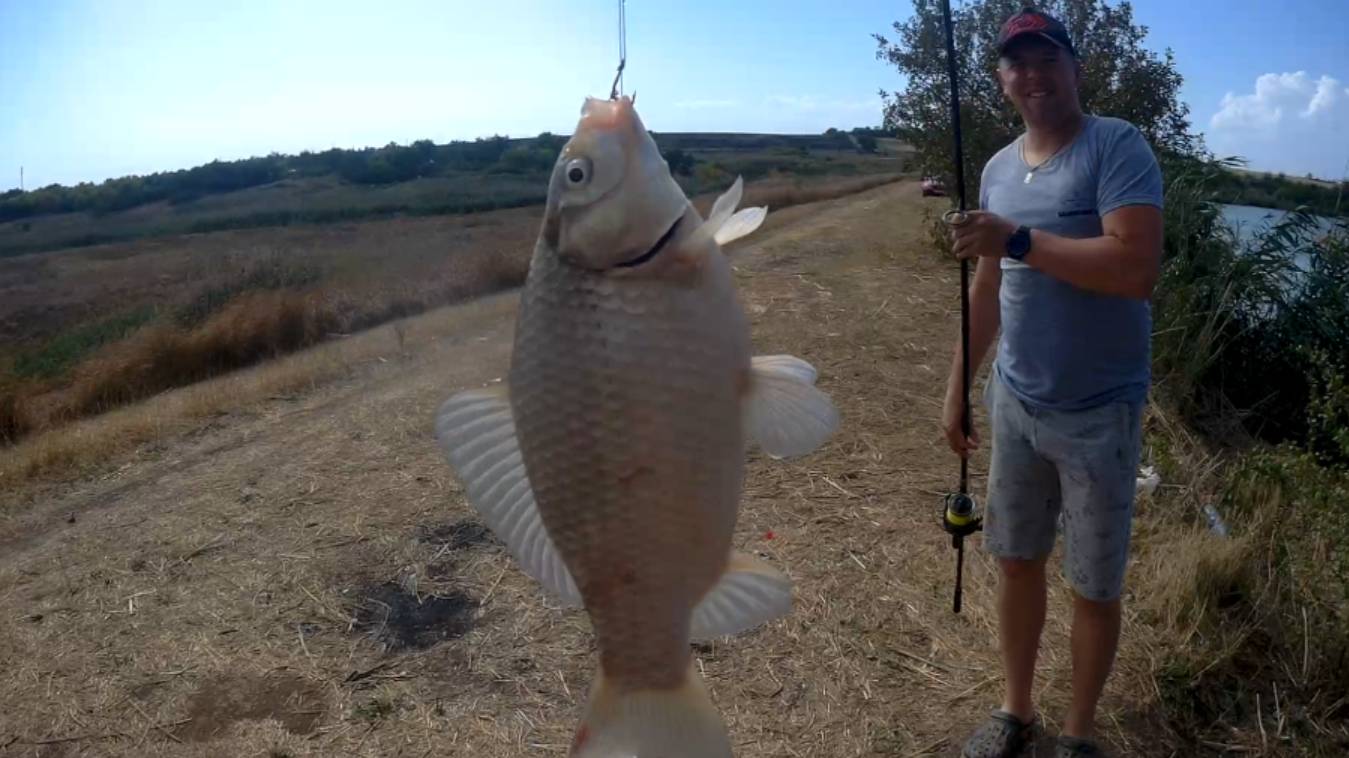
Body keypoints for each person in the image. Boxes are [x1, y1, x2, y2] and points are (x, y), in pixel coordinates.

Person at [939, 7, 1164, 758]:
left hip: (1100, 410)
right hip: (1015, 400)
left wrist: (1021, 239)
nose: (1031, 76)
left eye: (1046, 60)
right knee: (1014, 559)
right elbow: (985, 287)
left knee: (1094, 585)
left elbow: (1134, 271)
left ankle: (1077, 734)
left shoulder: (1115, 146)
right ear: (1001, 80)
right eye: (1016, 64)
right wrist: (956, 387)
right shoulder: (999, 168)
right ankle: (1015, 712)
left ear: (1074, 68)